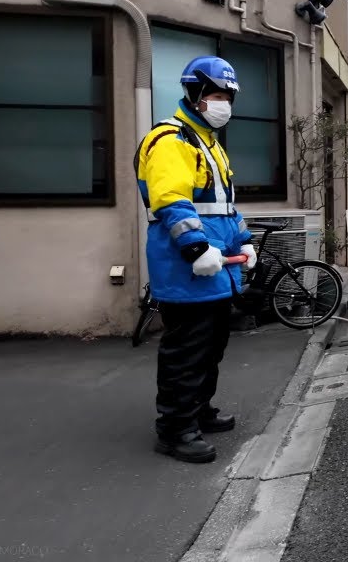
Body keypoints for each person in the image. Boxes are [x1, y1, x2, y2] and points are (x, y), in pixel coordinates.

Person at [136, 56, 257, 464]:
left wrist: (245, 241)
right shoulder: (171, 140)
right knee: (186, 352)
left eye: (228, 96)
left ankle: (199, 411)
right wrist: (195, 248)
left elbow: (224, 208)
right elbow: (171, 201)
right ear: (195, 94)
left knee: (211, 347)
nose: (224, 104)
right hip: (186, 267)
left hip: (216, 266)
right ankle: (175, 429)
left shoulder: (208, 144)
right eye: (216, 95)